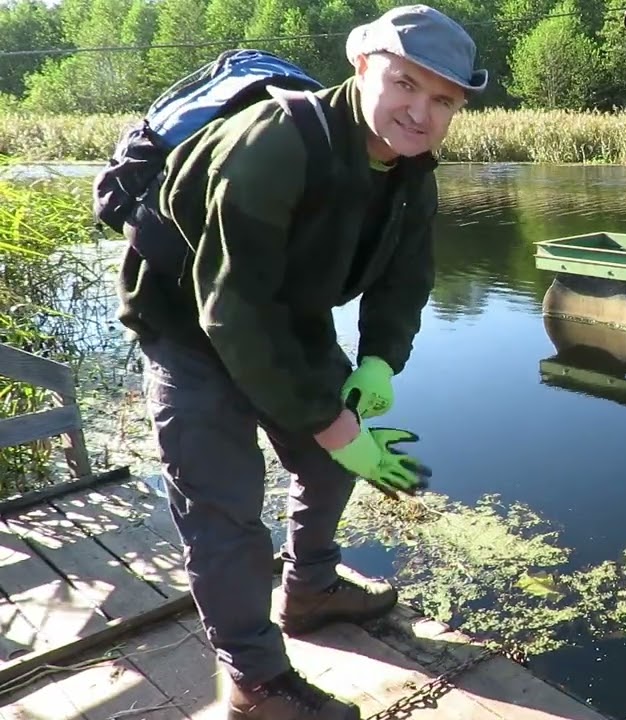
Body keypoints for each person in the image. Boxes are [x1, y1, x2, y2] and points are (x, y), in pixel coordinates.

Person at [114, 6, 487, 719]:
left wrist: (379, 362)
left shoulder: (411, 170)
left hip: (287, 310)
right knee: (224, 505)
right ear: (362, 66)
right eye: (406, 84)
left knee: (327, 461)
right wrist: (330, 421)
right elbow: (234, 313)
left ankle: (310, 588)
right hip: (188, 319)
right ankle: (253, 682)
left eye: (444, 100)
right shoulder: (275, 144)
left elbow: (405, 276)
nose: (421, 112)